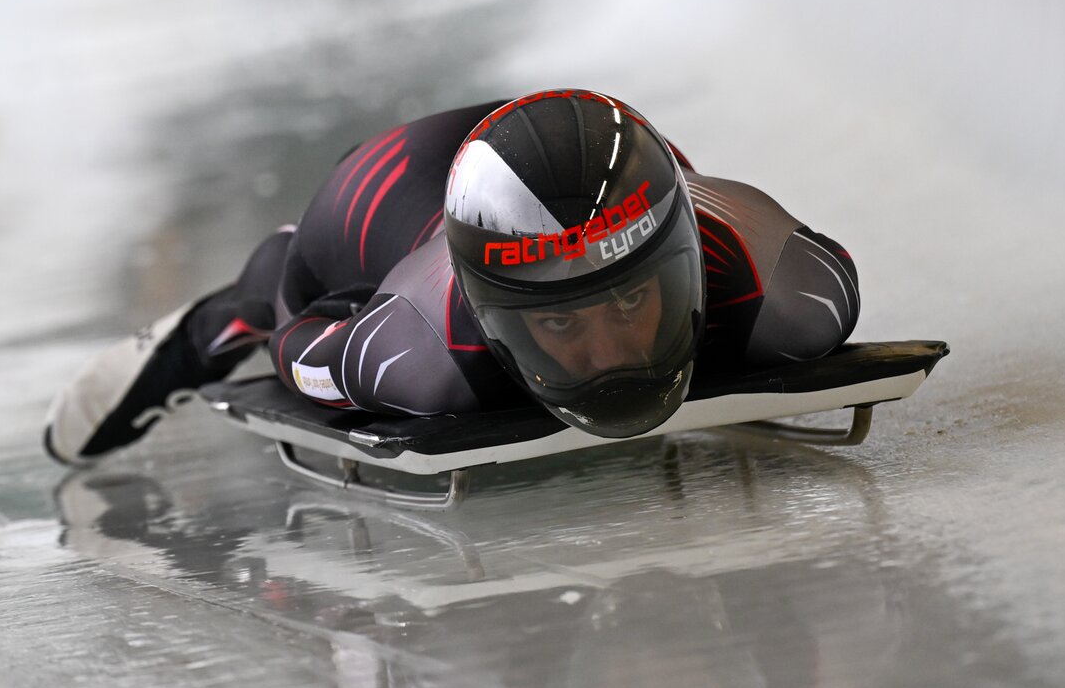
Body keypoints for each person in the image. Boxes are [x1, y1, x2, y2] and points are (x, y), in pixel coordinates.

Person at [44, 88, 860, 465]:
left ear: (683, 269)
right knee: (272, 301)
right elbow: (303, 344)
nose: (611, 353)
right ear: (494, 318)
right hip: (378, 196)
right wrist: (273, 307)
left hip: (583, 154)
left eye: (631, 300)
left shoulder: (792, 290)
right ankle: (223, 309)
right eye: (563, 323)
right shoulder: (419, 351)